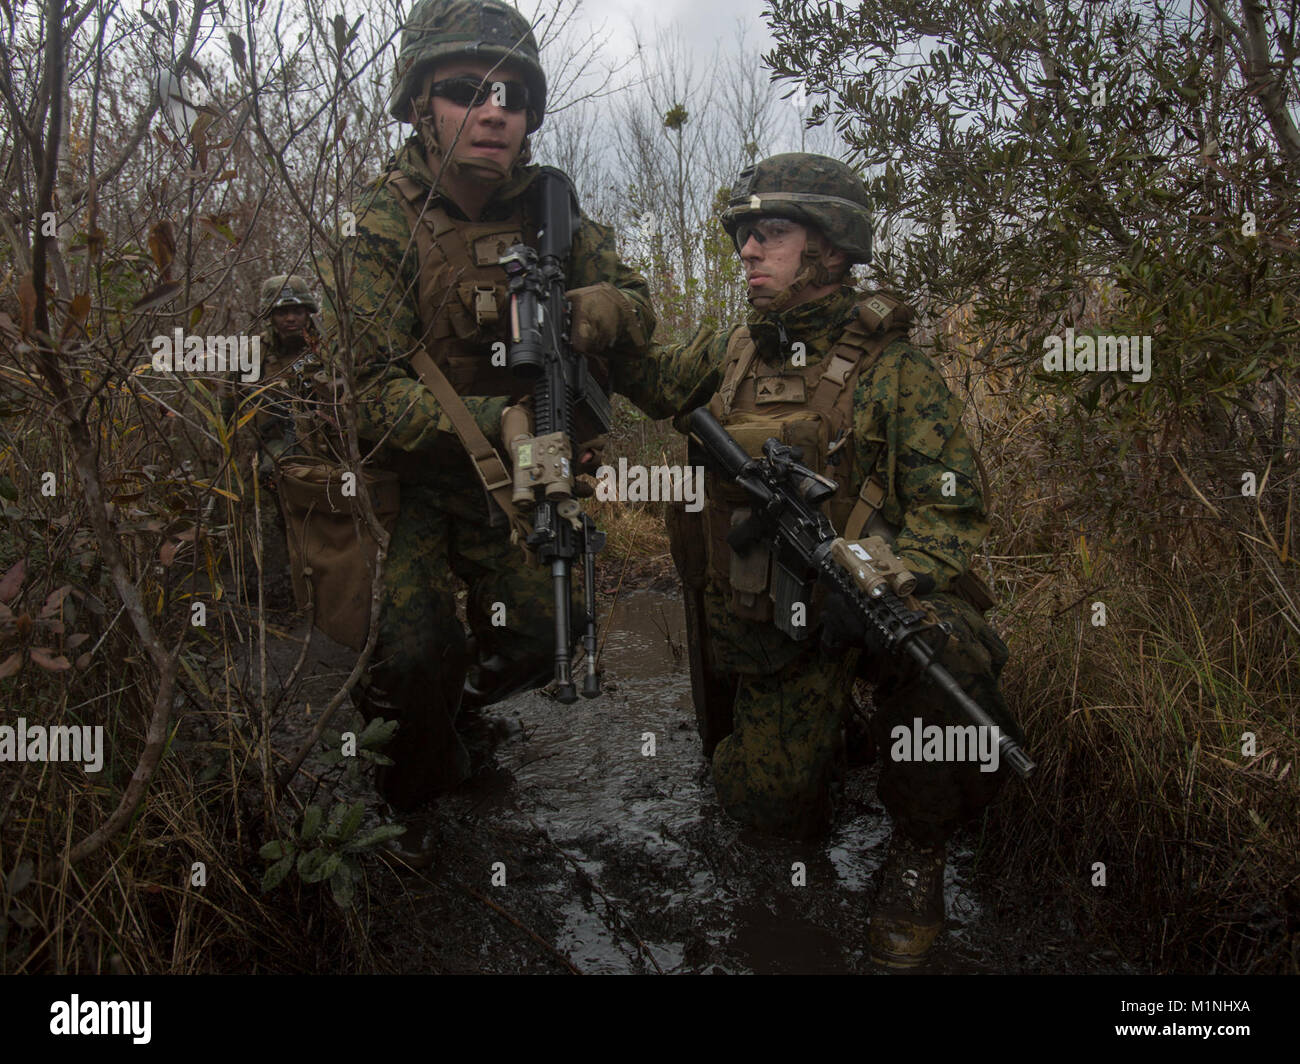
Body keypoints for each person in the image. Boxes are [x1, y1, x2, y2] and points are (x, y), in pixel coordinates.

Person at [659, 153, 1024, 968]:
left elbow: (954, 510)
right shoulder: (732, 355)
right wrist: (600, 319)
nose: (749, 251)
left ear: (829, 248)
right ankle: (830, 742)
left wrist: (885, 572)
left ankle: (919, 849)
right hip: (781, 618)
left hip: (870, 605)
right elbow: (652, 375)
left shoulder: (896, 372)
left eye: (771, 233)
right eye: (744, 236)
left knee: (945, 656)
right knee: (766, 810)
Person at [315, 0, 663, 844]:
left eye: (511, 92)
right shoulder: (380, 226)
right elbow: (366, 394)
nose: (493, 109)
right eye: (466, 90)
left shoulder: (556, 209)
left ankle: (461, 707)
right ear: (418, 108)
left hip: (522, 478)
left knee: (556, 626)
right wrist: (496, 420)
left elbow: (641, 308)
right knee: (409, 655)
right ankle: (421, 768)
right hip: (416, 484)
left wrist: (598, 311)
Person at [225, 273, 321, 608]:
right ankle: (273, 592)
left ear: (308, 311)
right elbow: (229, 403)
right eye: (282, 312)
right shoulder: (253, 353)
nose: (291, 318)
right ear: (271, 316)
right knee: (265, 514)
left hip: (326, 448)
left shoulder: (327, 346)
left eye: (296, 310)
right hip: (272, 448)